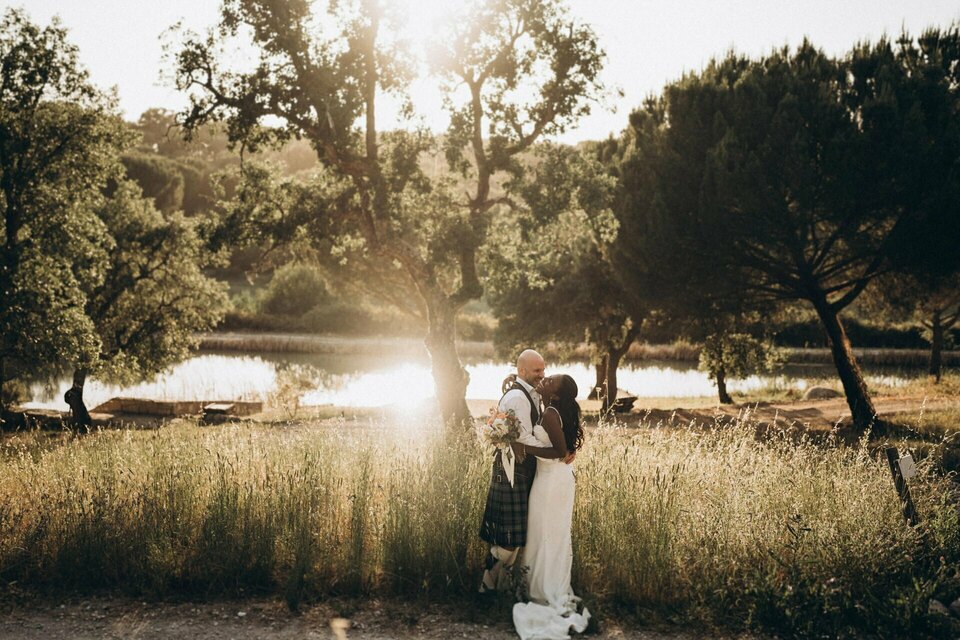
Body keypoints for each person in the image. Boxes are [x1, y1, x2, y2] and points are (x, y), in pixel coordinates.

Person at [479, 349, 570, 593]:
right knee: (509, 536)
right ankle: (486, 588)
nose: (542, 375)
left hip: (520, 470)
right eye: (537, 371)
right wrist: (558, 450)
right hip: (513, 472)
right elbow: (525, 439)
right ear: (522, 371)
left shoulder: (532, 394)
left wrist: (559, 449)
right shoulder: (519, 398)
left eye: (543, 369)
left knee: (513, 535)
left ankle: (497, 587)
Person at [512, 374, 590, 639]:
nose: (544, 379)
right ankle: (542, 585)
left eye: (551, 380)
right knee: (548, 532)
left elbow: (559, 452)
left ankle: (543, 590)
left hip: (551, 482)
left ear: (556, 394)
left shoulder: (549, 414)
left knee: (546, 531)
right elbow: (564, 448)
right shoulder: (551, 411)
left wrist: (523, 447)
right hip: (553, 479)